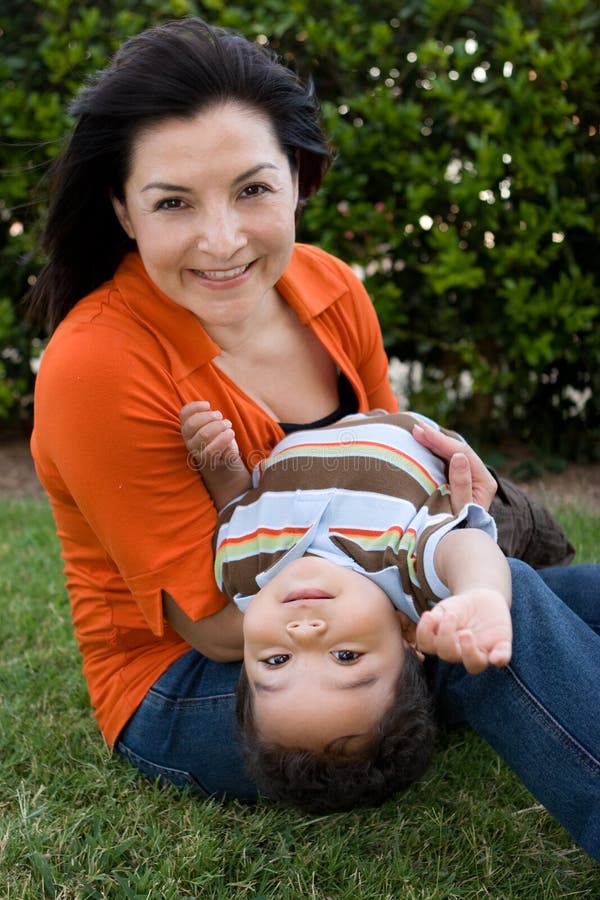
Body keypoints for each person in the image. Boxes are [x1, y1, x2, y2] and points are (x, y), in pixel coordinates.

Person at [26, 17, 599, 859]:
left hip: (352, 614)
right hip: (196, 681)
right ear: (122, 208)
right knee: (496, 604)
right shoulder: (99, 365)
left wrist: (434, 463)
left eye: (252, 190)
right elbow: (220, 627)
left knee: (546, 599)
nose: (221, 240)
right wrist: (429, 581)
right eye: (173, 203)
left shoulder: (329, 287)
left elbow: (382, 469)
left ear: (296, 179)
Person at [181, 403, 512, 811]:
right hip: (430, 447)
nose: (304, 632)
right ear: (408, 634)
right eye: (345, 656)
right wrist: (481, 593)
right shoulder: (406, 566)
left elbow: (239, 503)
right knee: (530, 536)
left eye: (277, 660)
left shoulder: (240, 569)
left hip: (321, 420)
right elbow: (467, 548)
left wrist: (218, 462)